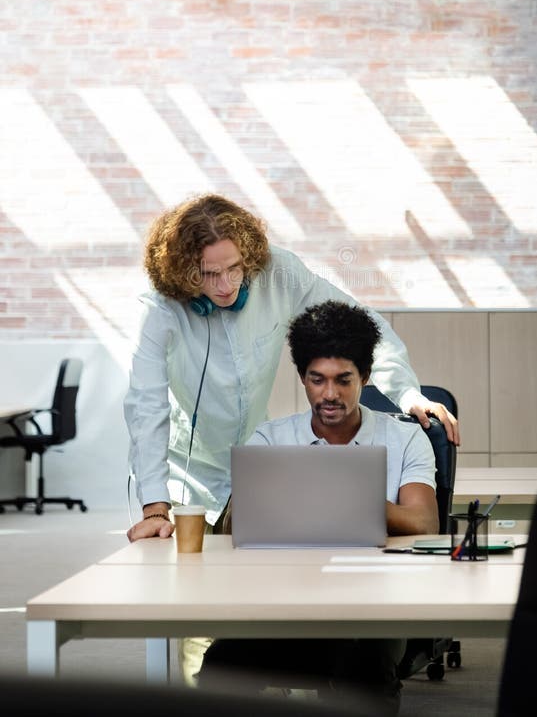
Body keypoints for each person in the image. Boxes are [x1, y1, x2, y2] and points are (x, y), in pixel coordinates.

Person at [123, 193, 458, 683]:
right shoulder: (159, 306)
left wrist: (407, 394)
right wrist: (155, 506)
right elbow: (145, 405)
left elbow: (363, 324)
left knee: (272, 604)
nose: (225, 286)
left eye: (234, 269)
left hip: (255, 461)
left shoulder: (278, 273)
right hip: (187, 477)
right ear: (183, 273)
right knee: (204, 625)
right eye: (208, 275)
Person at [196, 299, 440, 714]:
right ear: (303, 379)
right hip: (284, 600)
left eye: (344, 380)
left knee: (363, 666)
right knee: (222, 664)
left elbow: (423, 521)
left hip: (374, 604)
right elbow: (237, 526)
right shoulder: (271, 439)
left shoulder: (404, 438)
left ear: (365, 377)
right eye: (317, 380)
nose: (330, 394)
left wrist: (342, 494)